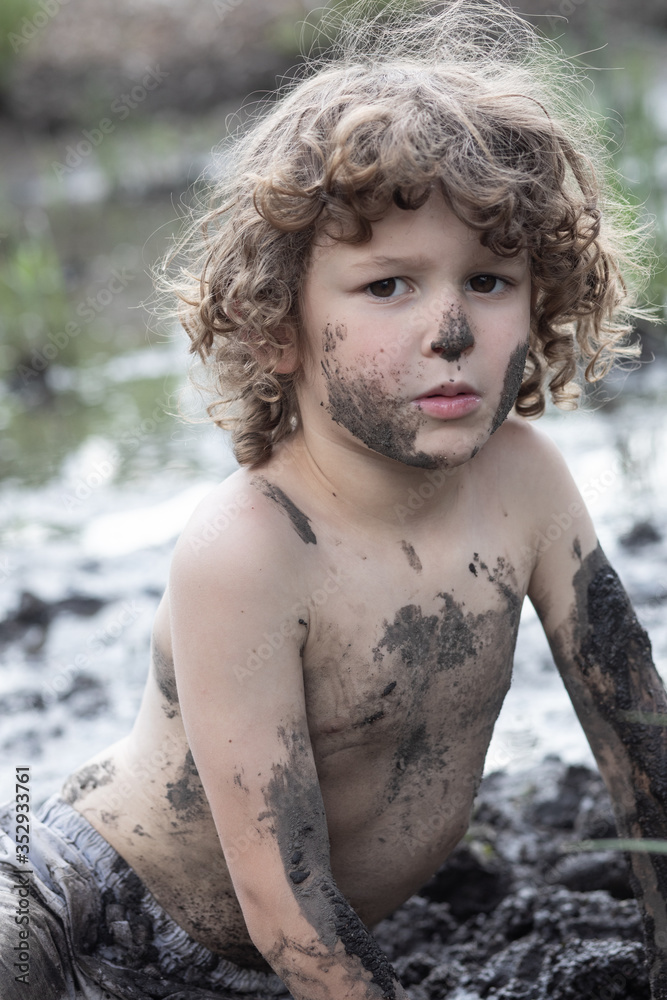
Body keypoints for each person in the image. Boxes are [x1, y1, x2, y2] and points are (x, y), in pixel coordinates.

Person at [2, 1, 666, 997]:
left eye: (486, 280)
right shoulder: (251, 546)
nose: (448, 329)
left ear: (543, 299)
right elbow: (289, 904)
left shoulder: (525, 481)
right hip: (87, 902)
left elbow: (635, 733)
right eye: (388, 286)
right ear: (280, 328)